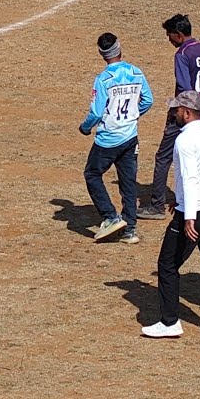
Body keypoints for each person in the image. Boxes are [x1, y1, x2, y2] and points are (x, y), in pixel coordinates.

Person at [141, 90, 200, 340]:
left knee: (167, 264)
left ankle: (170, 321)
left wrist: (189, 215)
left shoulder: (184, 141)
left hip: (196, 211)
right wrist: (179, 199)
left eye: (176, 110)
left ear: (186, 113)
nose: (173, 113)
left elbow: (191, 178)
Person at [79, 33, 153, 244]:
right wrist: (133, 114)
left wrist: (85, 128)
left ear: (102, 55)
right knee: (128, 182)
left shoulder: (103, 80)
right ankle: (130, 228)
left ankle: (111, 217)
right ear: (120, 49)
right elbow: (148, 100)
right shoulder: (136, 72)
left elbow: (95, 112)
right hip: (130, 136)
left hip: (108, 139)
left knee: (92, 174)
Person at [139, 14, 200, 221]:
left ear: (179, 34)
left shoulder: (182, 54)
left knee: (164, 157)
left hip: (186, 114)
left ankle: (156, 206)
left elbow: (184, 88)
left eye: (170, 35)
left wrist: (175, 113)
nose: (169, 39)